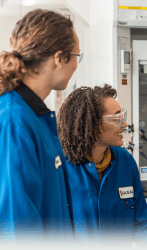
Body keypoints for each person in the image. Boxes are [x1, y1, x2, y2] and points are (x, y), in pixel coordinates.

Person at [0, 9, 81, 244]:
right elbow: (17, 226)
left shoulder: (38, 118)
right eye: (77, 55)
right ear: (59, 58)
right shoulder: (14, 120)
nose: (77, 64)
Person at [57, 85, 147, 247]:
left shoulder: (125, 161)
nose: (125, 124)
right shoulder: (61, 166)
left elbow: (140, 222)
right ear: (91, 124)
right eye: (116, 119)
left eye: (122, 116)